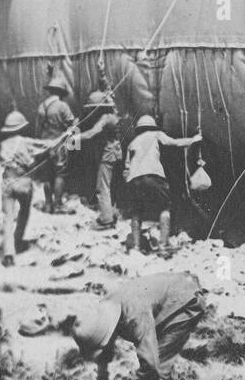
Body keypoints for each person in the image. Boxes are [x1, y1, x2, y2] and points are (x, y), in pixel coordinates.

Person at [64, 272, 206, 380]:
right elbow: (104, 338)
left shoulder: (134, 317)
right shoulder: (105, 308)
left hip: (185, 301)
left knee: (160, 372)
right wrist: (102, 372)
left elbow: (151, 366)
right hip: (170, 295)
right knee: (153, 363)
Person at [0, 110, 70, 267]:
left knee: (8, 217)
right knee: (24, 211)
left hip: (7, 181)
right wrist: (66, 134)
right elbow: (48, 144)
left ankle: (8, 254)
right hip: (23, 181)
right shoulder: (24, 141)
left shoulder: (3, 144)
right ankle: (18, 241)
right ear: (21, 128)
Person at [123, 115, 200, 253]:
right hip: (152, 175)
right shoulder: (156, 134)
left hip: (133, 180)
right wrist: (193, 140)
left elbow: (127, 167)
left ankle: (136, 246)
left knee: (136, 211)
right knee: (165, 207)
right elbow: (173, 143)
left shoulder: (132, 142)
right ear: (152, 126)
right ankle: (163, 245)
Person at [34, 71, 77, 214]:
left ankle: (48, 204)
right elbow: (72, 125)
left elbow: (37, 129)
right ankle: (58, 204)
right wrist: (74, 144)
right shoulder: (62, 106)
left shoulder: (41, 106)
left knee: (47, 175)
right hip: (59, 144)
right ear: (61, 92)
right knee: (60, 173)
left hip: (44, 144)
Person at [79, 91, 122, 229]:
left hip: (108, 154)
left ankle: (106, 219)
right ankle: (112, 212)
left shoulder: (104, 118)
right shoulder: (113, 114)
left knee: (102, 187)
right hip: (115, 153)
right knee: (110, 185)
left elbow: (92, 133)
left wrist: (74, 138)